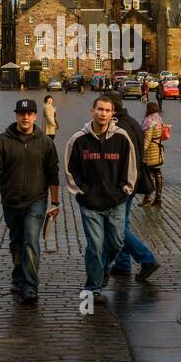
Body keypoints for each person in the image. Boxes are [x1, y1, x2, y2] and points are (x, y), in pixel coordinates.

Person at [0, 99, 61, 305]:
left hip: (37, 199)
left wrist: (54, 202)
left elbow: (53, 172)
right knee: (17, 242)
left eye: (29, 113)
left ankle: (29, 286)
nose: (25, 117)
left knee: (31, 241)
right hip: (10, 200)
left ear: (36, 116)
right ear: (16, 115)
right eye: (21, 113)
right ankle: (18, 277)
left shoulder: (45, 142)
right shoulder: (2, 141)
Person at [65, 96, 138, 301]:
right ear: (92, 111)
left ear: (112, 113)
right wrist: (82, 191)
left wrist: (124, 190)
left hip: (116, 201)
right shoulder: (79, 139)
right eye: (100, 109)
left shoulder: (122, 137)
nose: (103, 113)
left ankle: (103, 269)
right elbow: (70, 169)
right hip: (91, 204)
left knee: (116, 242)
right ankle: (93, 287)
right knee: (95, 245)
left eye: (107, 110)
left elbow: (130, 166)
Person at [104, 92, 161, 281]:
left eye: (105, 108)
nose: (101, 113)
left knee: (116, 227)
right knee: (123, 223)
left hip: (122, 184)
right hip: (133, 181)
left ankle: (147, 259)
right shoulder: (133, 122)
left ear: (112, 109)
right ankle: (123, 263)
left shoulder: (117, 126)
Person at [139, 101, 165, 207]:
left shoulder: (149, 121)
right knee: (157, 173)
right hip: (158, 151)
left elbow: (148, 138)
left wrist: (141, 150)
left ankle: (147, 198)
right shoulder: (158, 119)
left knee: (149, 176)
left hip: (151, 152)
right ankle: (158, 198)